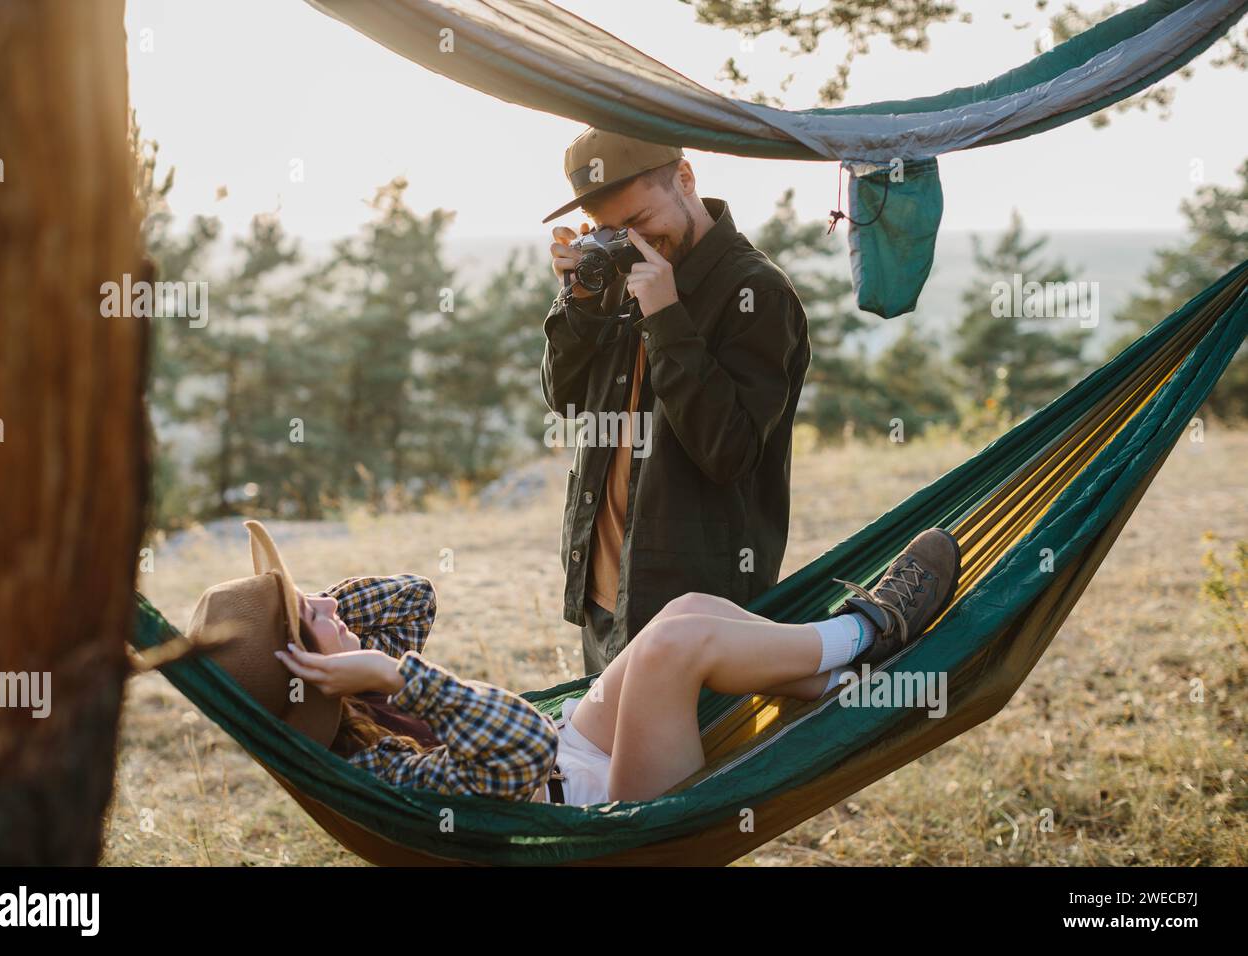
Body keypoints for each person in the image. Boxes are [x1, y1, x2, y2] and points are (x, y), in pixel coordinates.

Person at [196, 523, 959, 806]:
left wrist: (328, 625)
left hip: (574, 748)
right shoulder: (378, 774)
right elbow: (520, 750)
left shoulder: (359, 698)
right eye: (311, 616)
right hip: (592, 805)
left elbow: (412, 600)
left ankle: (837, 682)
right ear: (308, 681)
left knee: (687, 609)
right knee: (672, 648)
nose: (331, 608)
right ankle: (869, 631)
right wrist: (397, 677)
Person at [541, 127, 813, 674]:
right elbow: (564, 400)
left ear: (685, 179)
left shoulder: (757, 291)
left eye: (639, 222)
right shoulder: (618, 272)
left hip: (695, 603)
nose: (629, 242)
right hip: (606, 592)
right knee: (609, 758)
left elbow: (729, 452)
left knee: (691, 762)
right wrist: (580, 302)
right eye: (610, 230)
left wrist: (667, 319)